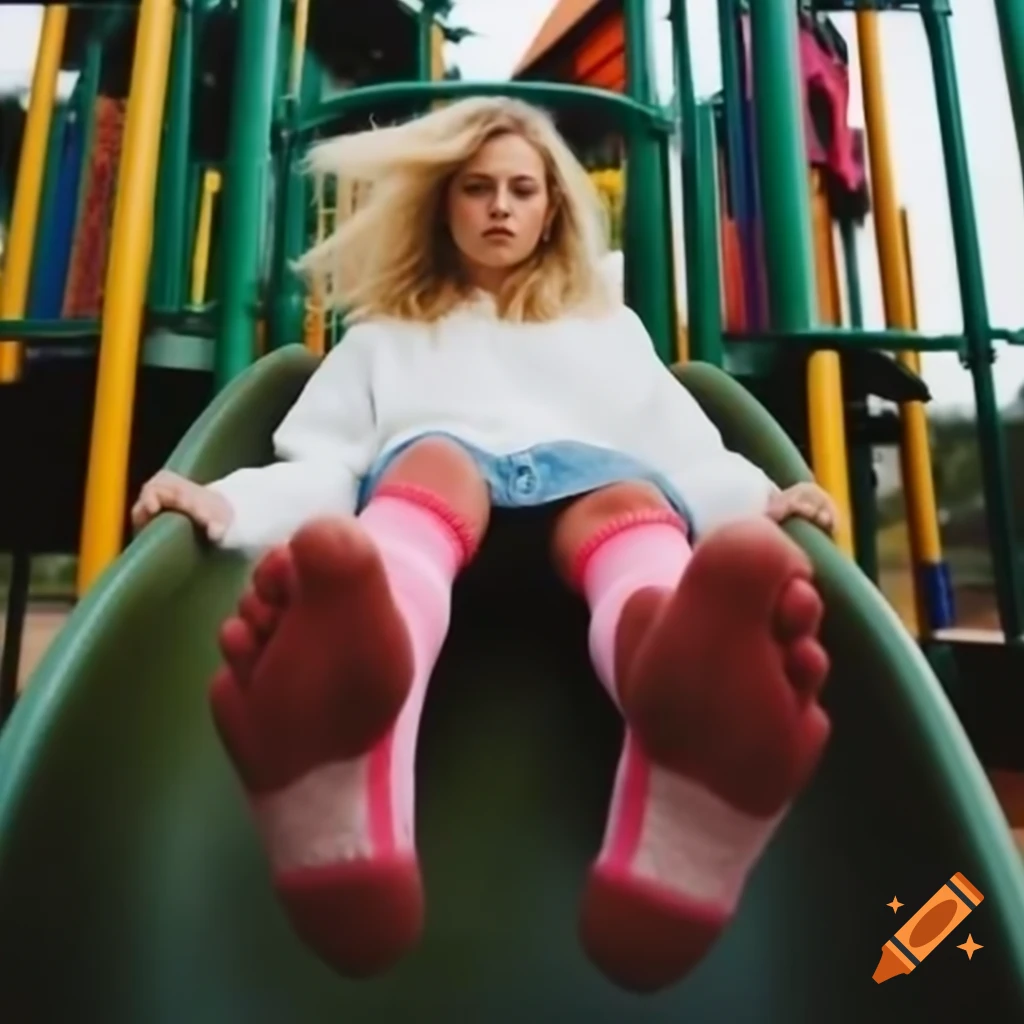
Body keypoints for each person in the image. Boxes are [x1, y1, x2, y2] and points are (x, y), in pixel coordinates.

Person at [132, 97, 837, 994]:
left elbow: (683, 447)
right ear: (443, 203)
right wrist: (224, 503)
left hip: (594, 498)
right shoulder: (386, 336)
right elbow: (325, 465)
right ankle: (358, 694)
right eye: (477, 189)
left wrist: (762, 503)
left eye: (521, 190)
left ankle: (677, 685)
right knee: (424, 469)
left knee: (631, 498)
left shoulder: (606, 330)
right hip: (434, 504)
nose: (500, 207)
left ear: (552, 211)